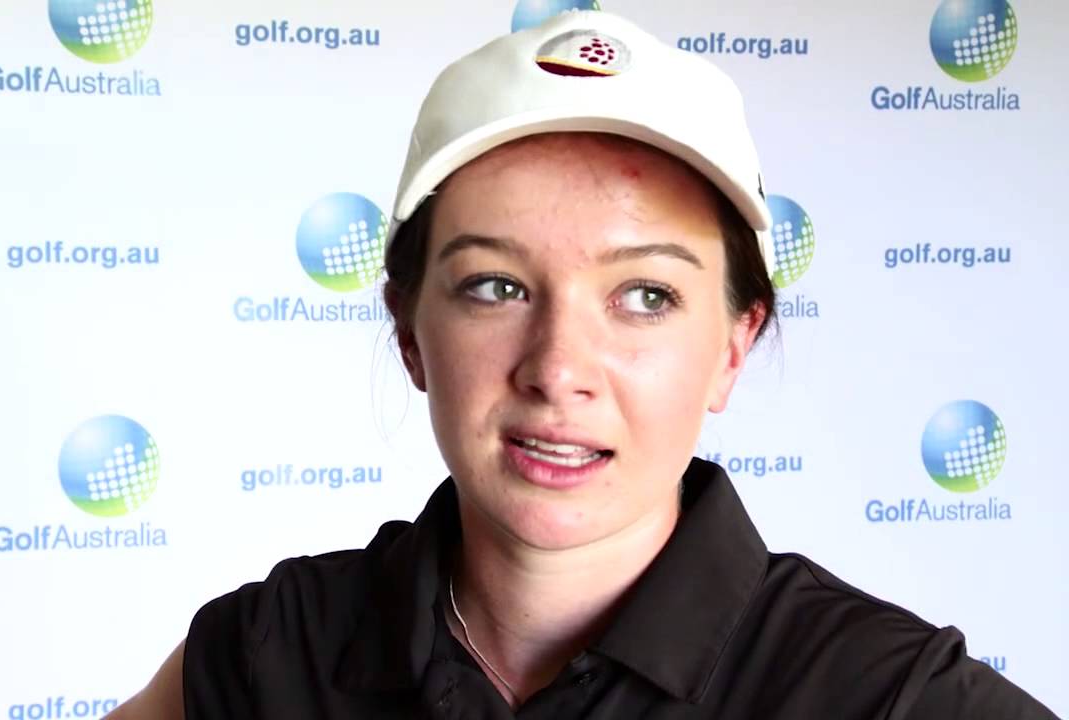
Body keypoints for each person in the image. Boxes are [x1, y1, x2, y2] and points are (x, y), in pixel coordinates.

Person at [107, 10, 1058, 719]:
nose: (559, 369)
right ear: (408, 330)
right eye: (495, 286)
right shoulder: (272, 655)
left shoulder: (882, 696)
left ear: (732, 347)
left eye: (645, 296)